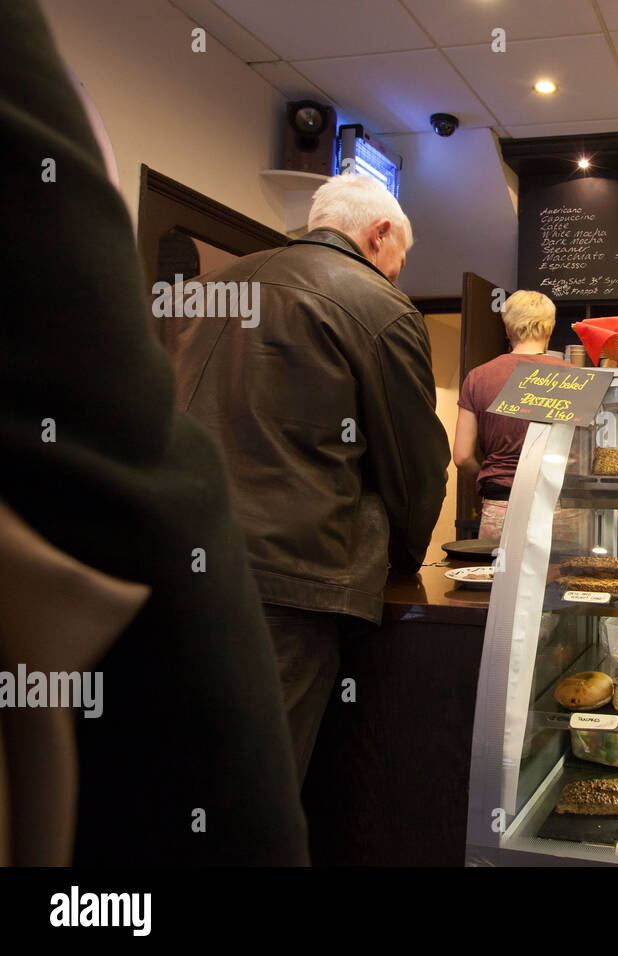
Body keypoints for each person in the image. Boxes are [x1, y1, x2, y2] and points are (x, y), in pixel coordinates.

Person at [0, 0, 307, 863]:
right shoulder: (381, 309)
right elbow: (111, 461)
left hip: (256, 565)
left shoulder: (235, 282)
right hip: (307, 581)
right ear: (386, 237)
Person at [158, 174, 451, 787]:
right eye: (398, 261)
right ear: (380, 233)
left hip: (160, 563)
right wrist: (404, 558)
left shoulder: (192, 295)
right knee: (254, 794)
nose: (396, 275)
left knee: (161, 776)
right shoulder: (378, 304)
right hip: (288, 586)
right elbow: (413, 463)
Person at [454, 291, 567, 539]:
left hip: (500, 502)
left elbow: (462, 457)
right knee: (555, 577)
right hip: (557, 506)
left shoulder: (478, 377)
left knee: (498, 576)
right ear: (549, 329)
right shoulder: (572, 376)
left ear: (508, 330)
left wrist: (488, 474)